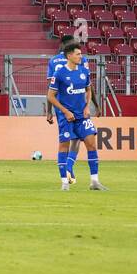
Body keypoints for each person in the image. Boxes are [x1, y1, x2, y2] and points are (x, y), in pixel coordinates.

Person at [46, 42, 107, 191]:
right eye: (78, 54)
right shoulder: (59, 73)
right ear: (69, 56)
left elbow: (88, 90)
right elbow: (51, 96)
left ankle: (94, 182)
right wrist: (65, 111)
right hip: (66, 117)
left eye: (81, 54)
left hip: (82, 116)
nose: (81, 56)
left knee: (91, 144)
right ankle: (64, 183)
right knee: (64, 146)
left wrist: (87, 106)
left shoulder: (83, 71)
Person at [46, 35, 91, 185]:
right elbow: (87, 85)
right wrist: (91, 106)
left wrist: (49, 110)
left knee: (66, 139)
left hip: (60, 104)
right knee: (76, 138)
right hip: (73, 104)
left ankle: (66, 171)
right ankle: (69, 167)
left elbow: (51, 88)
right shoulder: (82, 60)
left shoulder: (53, 61)